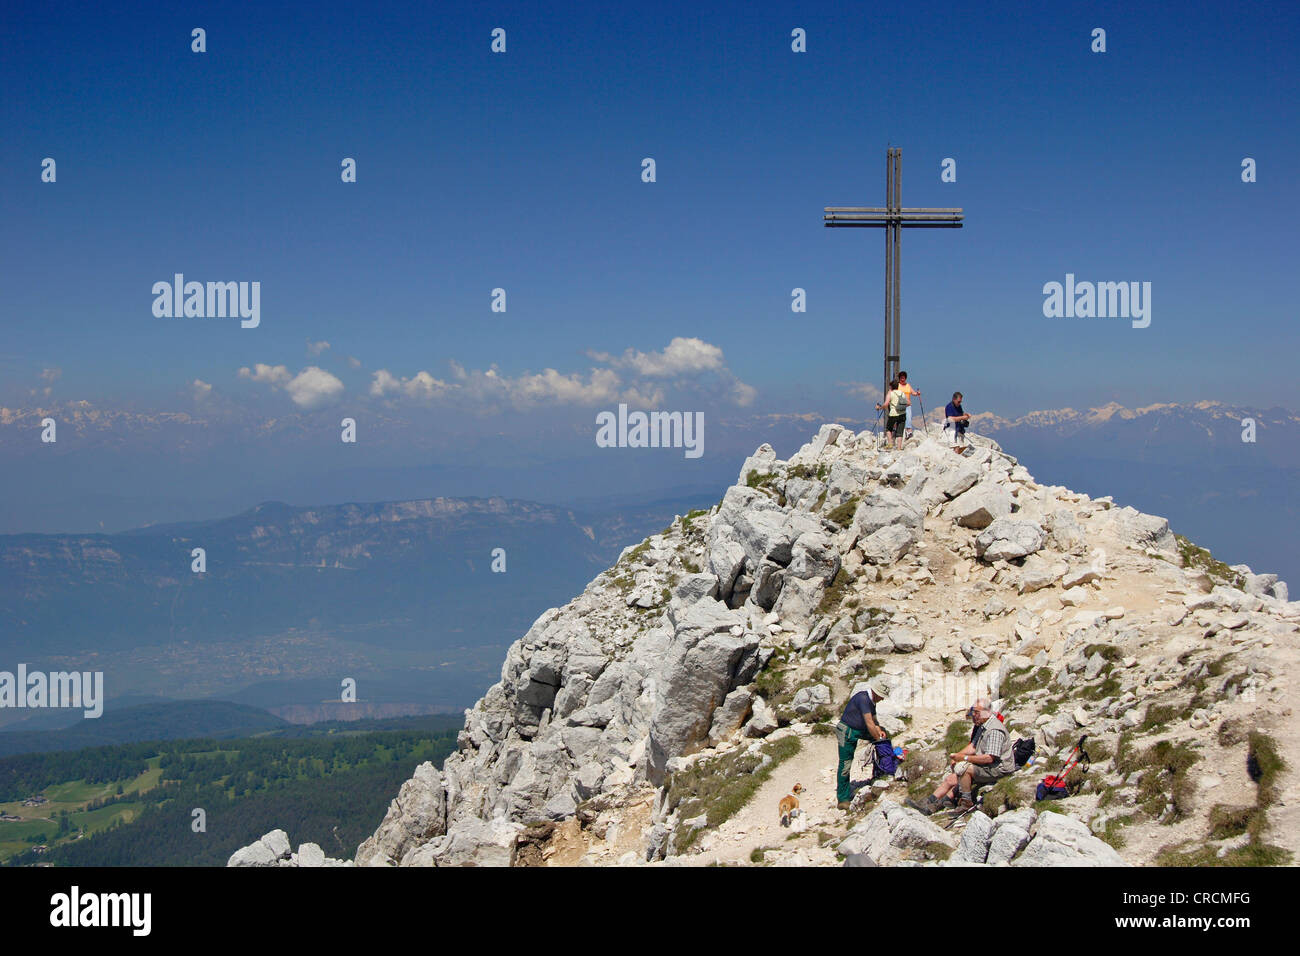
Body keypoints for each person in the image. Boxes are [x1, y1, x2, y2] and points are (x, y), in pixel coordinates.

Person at [912, 698, 1013, 814]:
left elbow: (990, 758)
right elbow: (973, 747)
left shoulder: (994, 730)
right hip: (989, 766)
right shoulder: (984, 725)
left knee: (963, 768)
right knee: (956, 774)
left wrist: (964, 758)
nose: (973, 715)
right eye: (973, 712)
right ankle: (932, 803)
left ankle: (966, 803)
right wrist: (957, 756)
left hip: (999, 769)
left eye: (976, 712)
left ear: (987, 712)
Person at [835, 676, 890, 809]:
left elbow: (875, 721)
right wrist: (878, 738)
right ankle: (843, 799)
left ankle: (881, 770)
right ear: (876, 693)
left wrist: (879, 731)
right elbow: (869, 723)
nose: (882, 699)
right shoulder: (863, 699)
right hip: (846, 732)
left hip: (858, 730)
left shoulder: (872, 701)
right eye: (881, 696)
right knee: (846, 763)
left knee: (882, 739)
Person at [875, 379, 907, 450]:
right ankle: (899, 448)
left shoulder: (890, 393)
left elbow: (886, 404)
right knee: (900, 431)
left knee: (889, 428)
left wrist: (879, 407)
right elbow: (907, 403)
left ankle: (890, 444)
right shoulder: (902, 393)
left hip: (893, 414)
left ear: (891, 387)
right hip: (902, 414)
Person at [898, 371, 920, 438]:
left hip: (908, 405)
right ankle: (898, 432)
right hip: (900, 405)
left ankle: (909, 432)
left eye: (904, 378)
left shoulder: (908, 385)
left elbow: (913, 393)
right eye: (901, 378)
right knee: (899, 419)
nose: (902, 379)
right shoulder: (897, 385)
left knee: (908, 418)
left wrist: (917, 393)